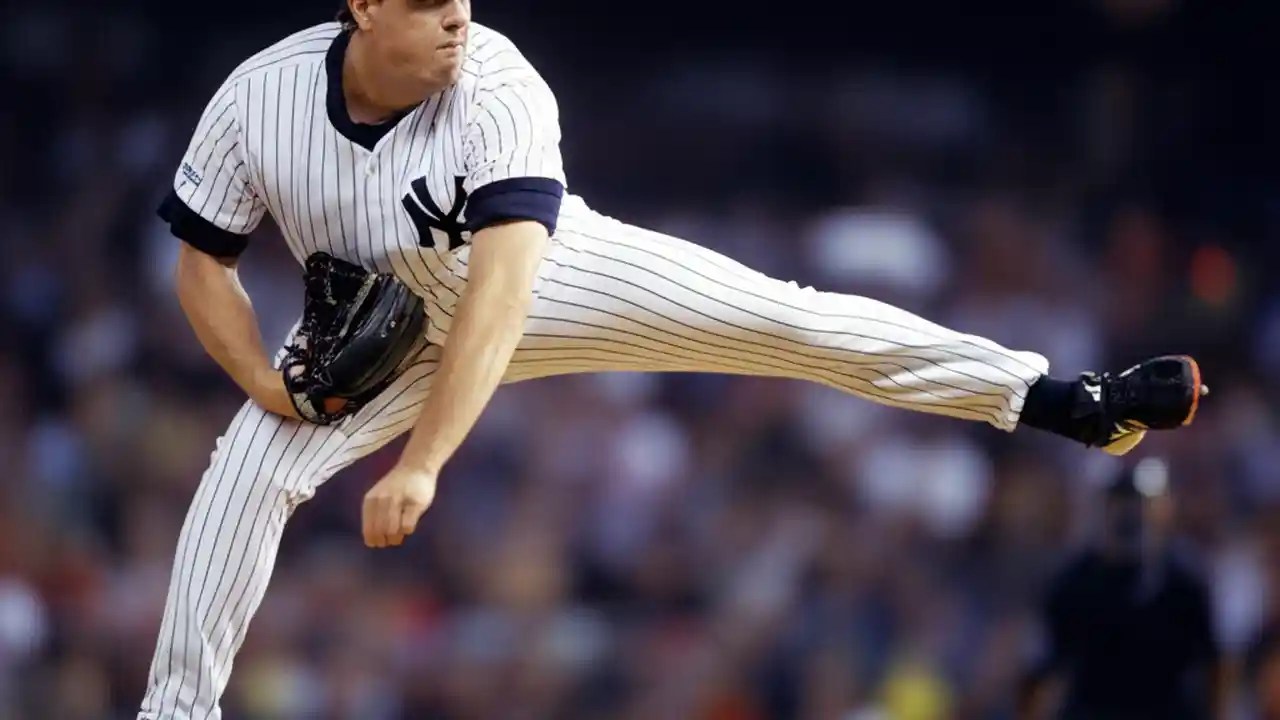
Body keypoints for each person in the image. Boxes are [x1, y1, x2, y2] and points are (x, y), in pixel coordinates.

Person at [138, 1, 1209, 716]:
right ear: (364, 5)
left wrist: (420, 460)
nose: (458, 21)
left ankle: (1060, 398)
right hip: (384, 330)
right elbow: (203, 262)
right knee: (245, 474)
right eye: (429, 6)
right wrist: (263, 384)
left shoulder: (497, 84)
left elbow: (504, 292)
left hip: (548, 277)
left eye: (463, 0)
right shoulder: (260, 98)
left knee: (785, 323)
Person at [1018, 460, 1226, 720]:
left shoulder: (1184, 580)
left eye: (1139, 503)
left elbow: (1214, 662)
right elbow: (1041, 666)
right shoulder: (1074, 582)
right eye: (1119, 501)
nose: (1129, 514)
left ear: (1163, 508)